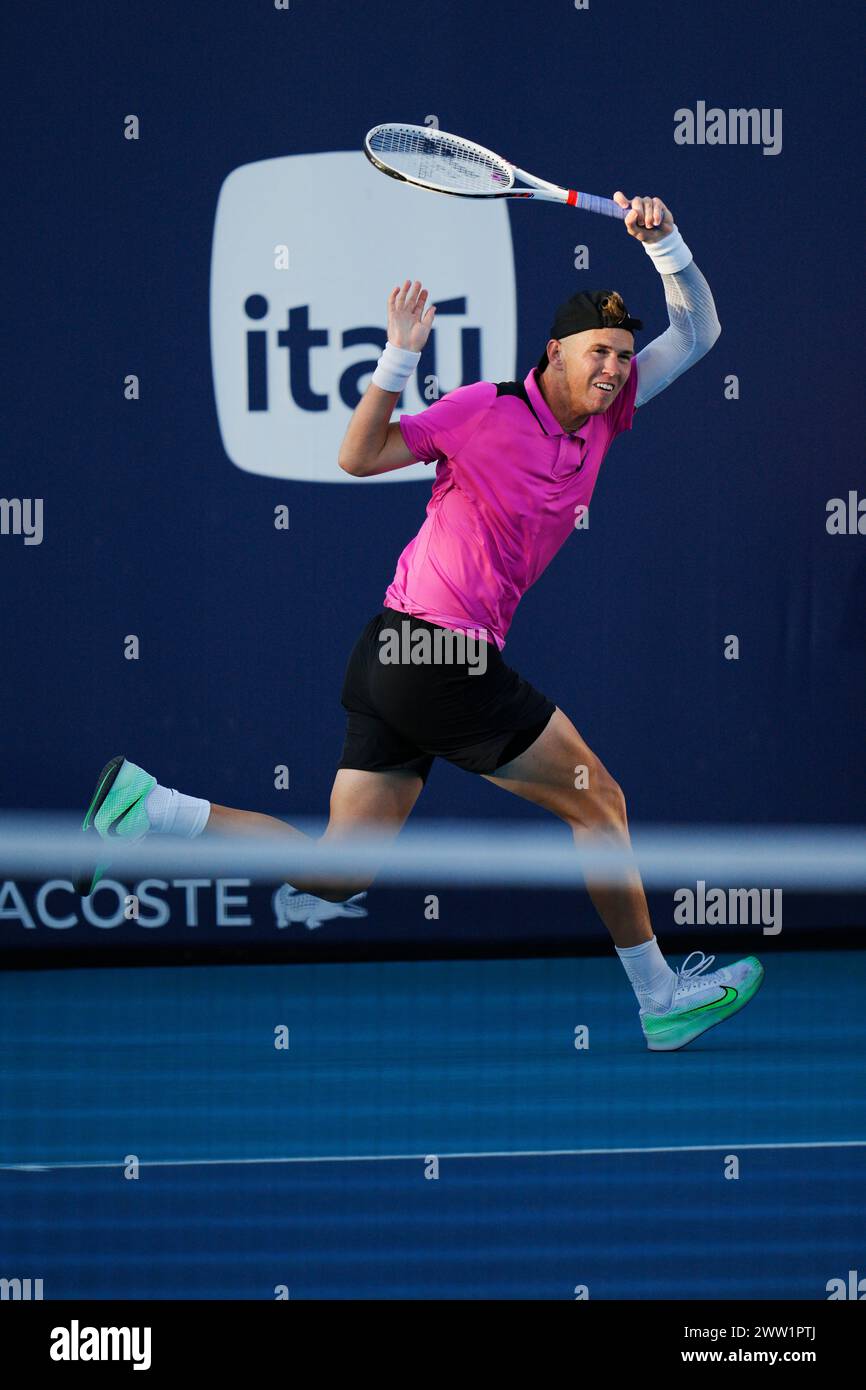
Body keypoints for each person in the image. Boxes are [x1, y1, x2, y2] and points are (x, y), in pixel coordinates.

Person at [78, 190, 762, 1051]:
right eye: (599, 354)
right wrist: (398, 355)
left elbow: (696, 334)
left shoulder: (609, 417)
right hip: (435, 653)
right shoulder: (483, 409)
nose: (616, 370)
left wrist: (669, 244)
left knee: (336, 872)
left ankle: (151, 810)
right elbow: (358, 456)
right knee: (601, 802)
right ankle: (659, 995)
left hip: (391, 656)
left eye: (624, 357)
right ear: (554, 352)